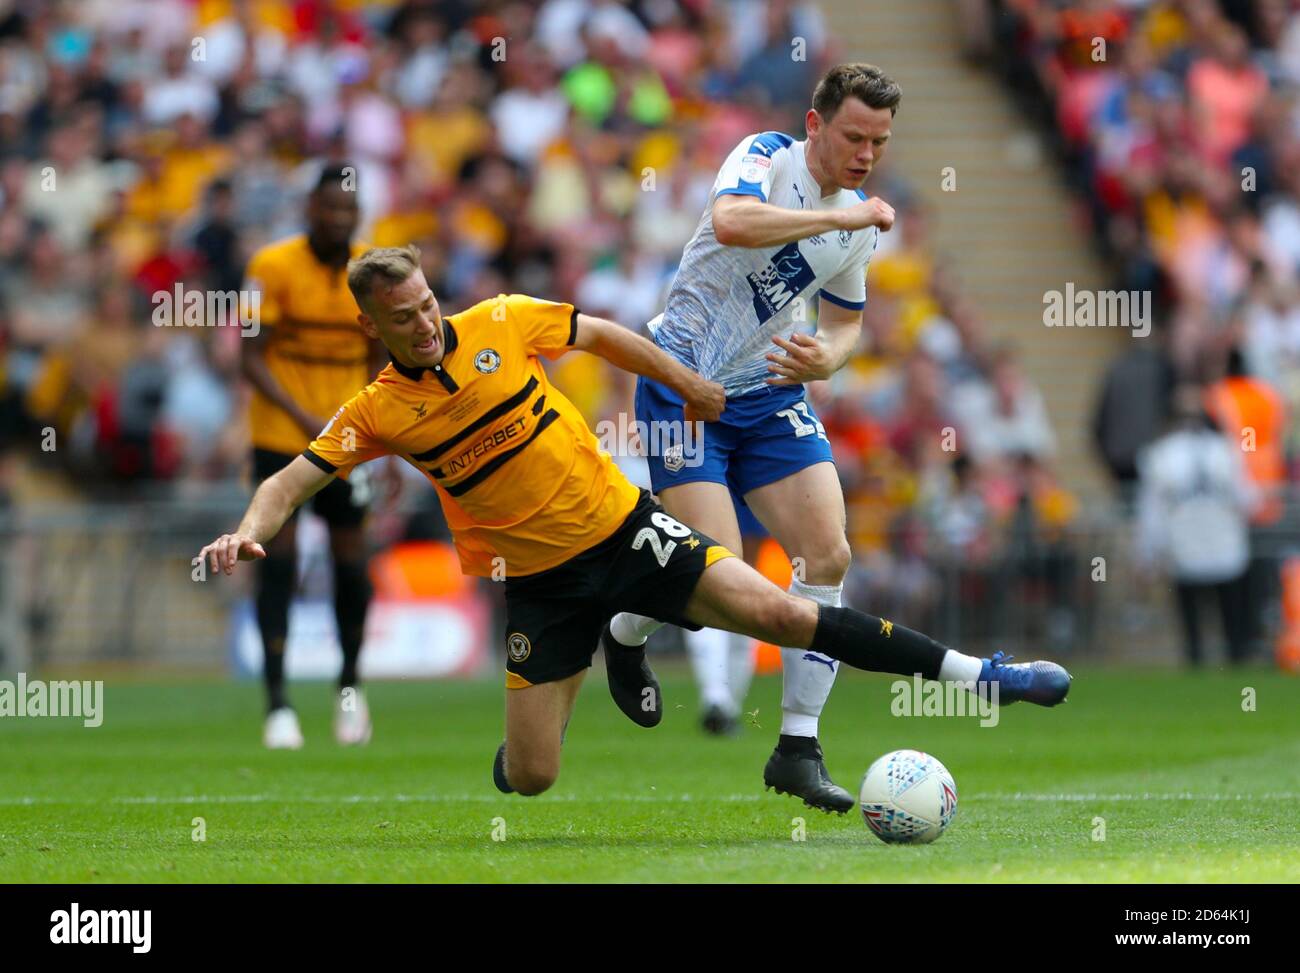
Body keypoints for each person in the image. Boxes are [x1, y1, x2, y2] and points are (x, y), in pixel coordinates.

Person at [199, 245, 1072, 797]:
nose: (426, 323)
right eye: (404, 317)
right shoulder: (378, 411)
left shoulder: (500, 322)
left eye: (428, 303)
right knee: (533, 779)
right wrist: (250, 527)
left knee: (781, 608)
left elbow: (602, 334)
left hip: (627, 531)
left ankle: (978, 672)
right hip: (538, 587)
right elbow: (292, 477)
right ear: (370, 325)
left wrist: (687, 381)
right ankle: (601, 647)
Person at [607, 63, 901, 812]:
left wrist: (827, 358)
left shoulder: (856, 225)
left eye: (879, 141)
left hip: (769, 394)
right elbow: (734, 223)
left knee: (828, 552)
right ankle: (624, 624)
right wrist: (842, 218)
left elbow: (842, 323)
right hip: (684, 383)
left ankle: (798, 746)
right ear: (815, 124)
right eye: (854, 136)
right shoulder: (765, 157)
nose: (866, 154)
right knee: (717, 579)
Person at [240, 163, 389, 749]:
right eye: (331, 209)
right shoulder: (271, 267)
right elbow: (250, 357)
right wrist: (308, 421)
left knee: (353, 562)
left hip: (349, 442)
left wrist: (377, 428)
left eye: (349, 211)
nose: (339, 219)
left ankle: (350, 688)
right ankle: (278, 704)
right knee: (277, 560)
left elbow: (384, 355)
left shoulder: (370, 270)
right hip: (281, 438)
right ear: (310, 209)